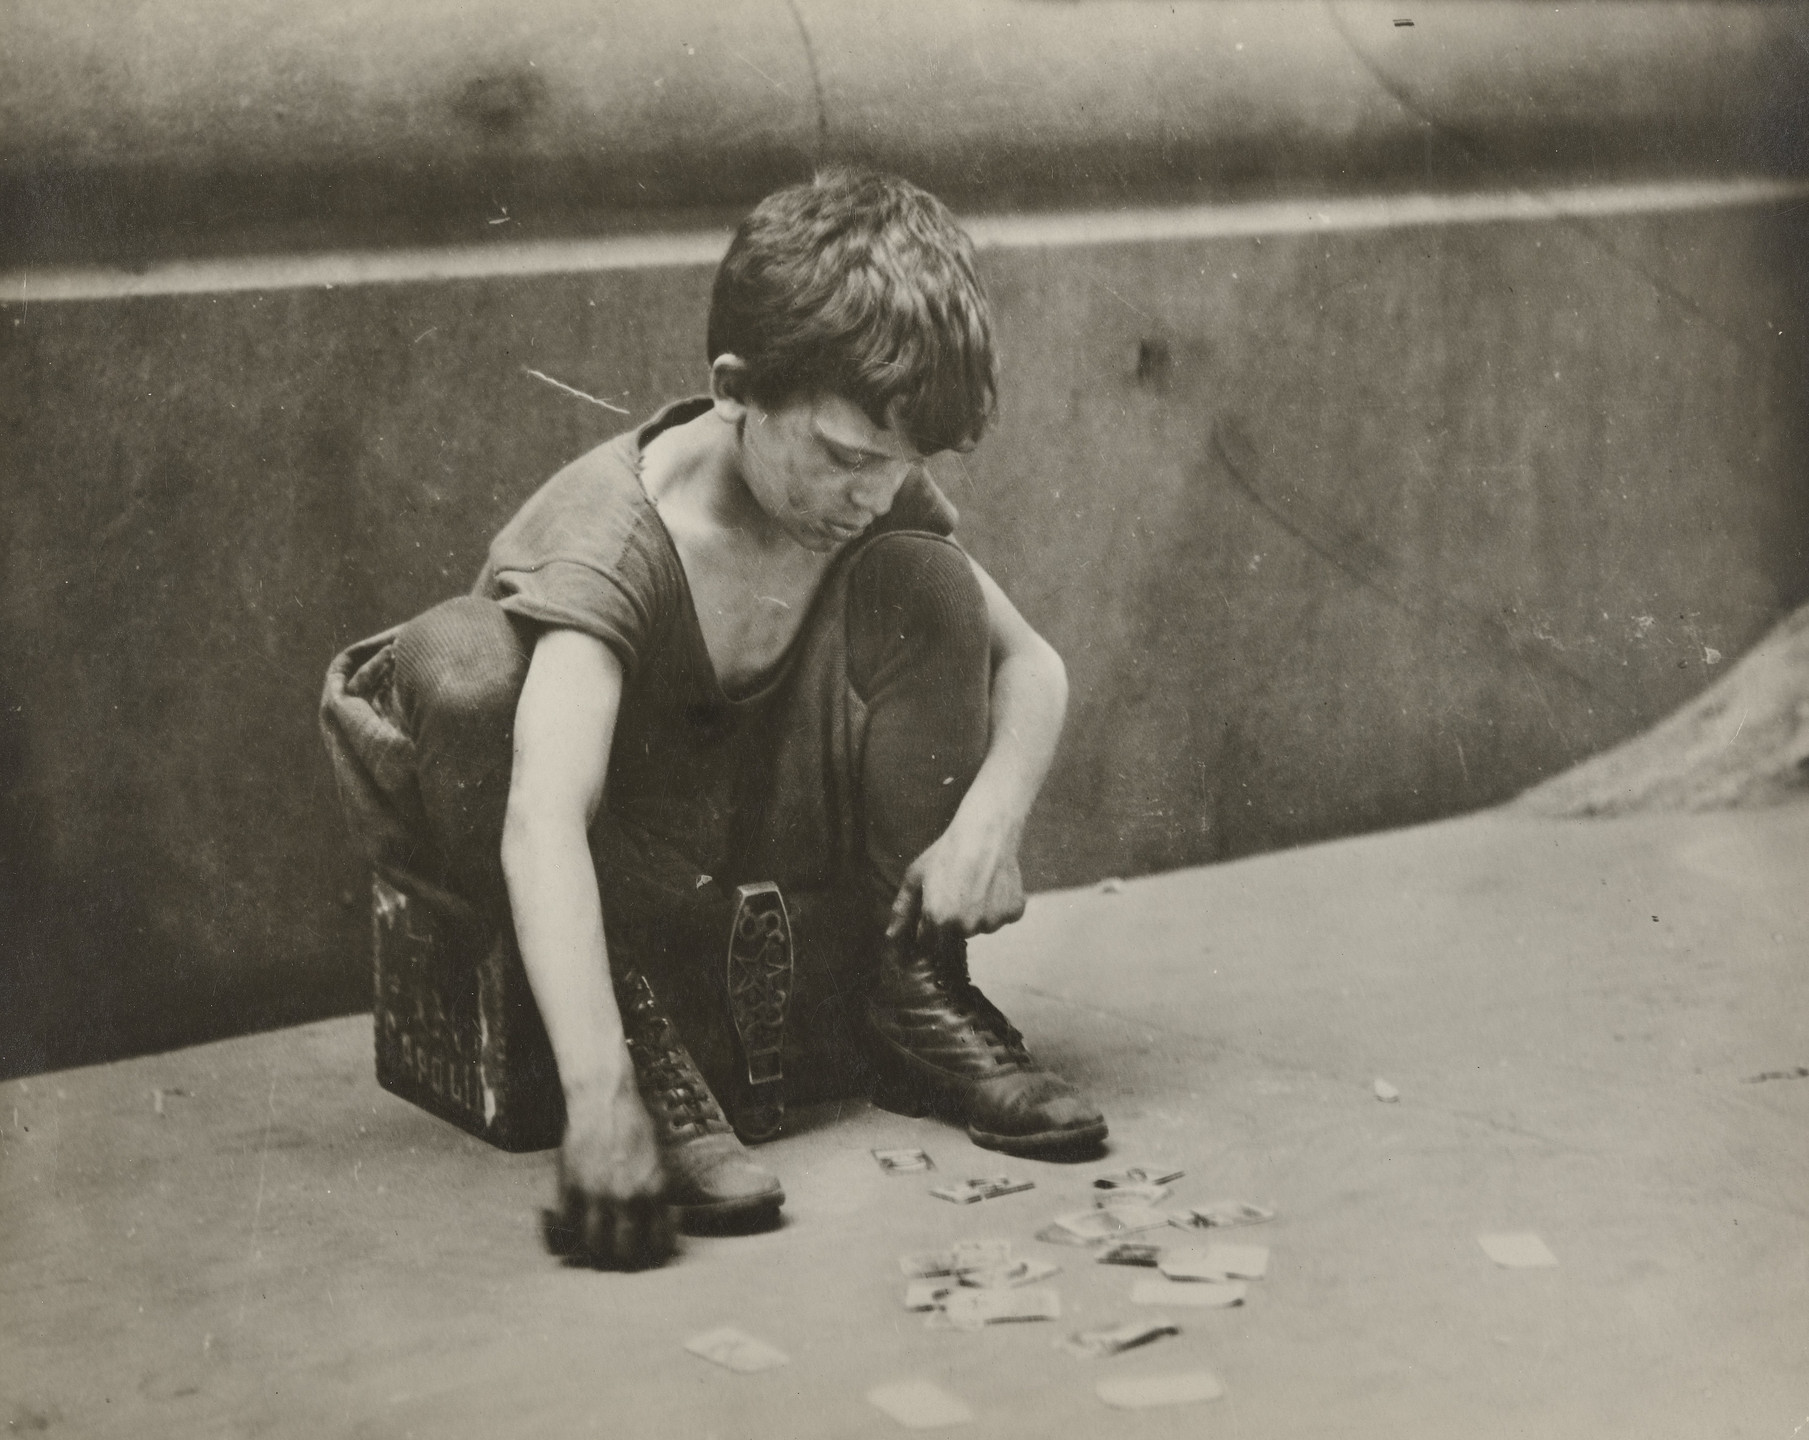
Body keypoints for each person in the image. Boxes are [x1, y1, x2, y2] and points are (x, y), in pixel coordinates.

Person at [321, 168, 1105, 1270]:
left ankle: (905, 987)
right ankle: (640, 1040)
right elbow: (544, 817)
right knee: (461, 666)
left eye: (905, 463)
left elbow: (1034, 664)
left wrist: (990, 821)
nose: (874, 493)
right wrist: (597, 1099)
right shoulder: (612, 539)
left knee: (930, 581)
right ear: (736, 387)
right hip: (631, 858)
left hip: (763, 827)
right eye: (846, 456)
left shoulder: (869, 495)